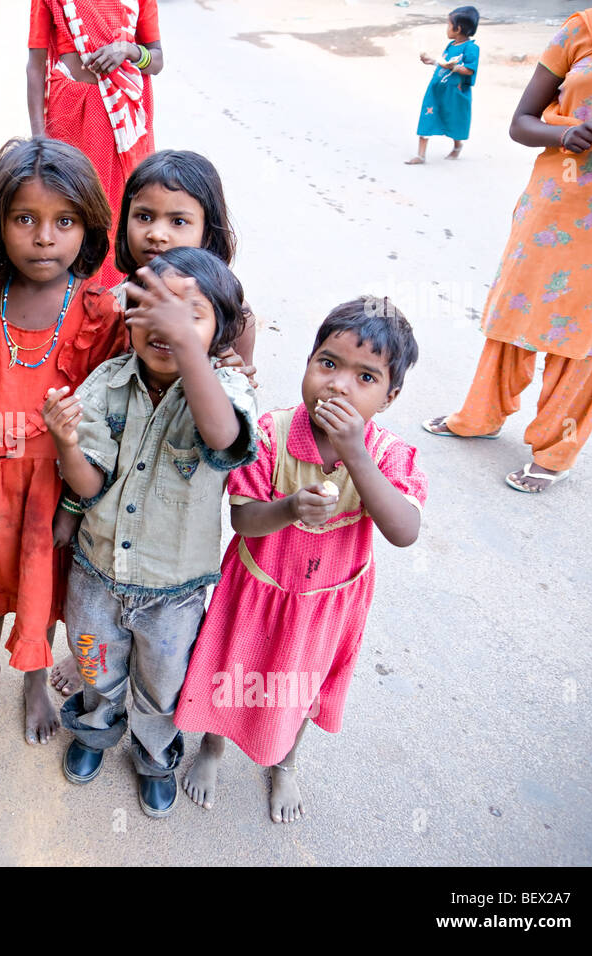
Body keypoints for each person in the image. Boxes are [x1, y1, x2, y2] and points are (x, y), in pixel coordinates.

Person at [175, 298, 425, 824]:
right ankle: (213, 747)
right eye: (328, 364)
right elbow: (245, 521)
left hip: (328, 603)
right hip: (257, 588)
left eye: (365, 377)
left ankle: (286, 760)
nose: (338, 385)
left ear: (390, 396)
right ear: (308, 362)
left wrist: (355, 455)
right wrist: (289, 508)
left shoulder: (386, 456)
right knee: (234, 671)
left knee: (303, 683)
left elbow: (403, 531)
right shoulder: (270, 433)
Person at [42, 248, 257, 817]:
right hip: (97, 571)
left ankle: (154, 755)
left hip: (173, 592)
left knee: (161, 687)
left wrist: (188, 349)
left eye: (191, 315)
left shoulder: (226, 388)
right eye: (153, 311)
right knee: (93, 665)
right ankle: (93, 732)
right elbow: (89, 488)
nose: (168, 327)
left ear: (222, 331)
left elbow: (221, 439)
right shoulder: (109, 382)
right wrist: (66, 442)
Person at [0, 137, 127, 744]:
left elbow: (106, 413)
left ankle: (34, 680)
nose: (44, 238)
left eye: (63, 222)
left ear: (87, 225)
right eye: (25, 220)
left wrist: (73, 502)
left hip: (56, 485)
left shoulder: (95, 311)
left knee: (42, 588)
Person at [49, 148, 259, 696]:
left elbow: (235, 407)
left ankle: (143, 714)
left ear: (209, 233)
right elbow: (97, 418)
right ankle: (94, 667)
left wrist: (200, 349)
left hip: (179, 486)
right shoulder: (113, 303)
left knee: (160, 663)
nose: (158, 235)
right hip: (107, 476)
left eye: (178, 221)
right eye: (144, 217)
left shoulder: (228, 313)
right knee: (93, 611)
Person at [422, 1, 592, 492]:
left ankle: (557, 449)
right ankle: (482, 414)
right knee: (516, 307)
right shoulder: (583, 28)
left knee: (588, 332)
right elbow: (522, 122)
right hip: (555, 201)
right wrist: (565, 132)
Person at [27, 0, 163, 287]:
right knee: (70, 207)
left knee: (118, 211)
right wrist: (39, 139)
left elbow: (157, 61)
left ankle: (110, 299)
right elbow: (36, 66)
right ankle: (69, 302)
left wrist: (128, 50)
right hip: (71, 114)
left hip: (125, 122)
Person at [407, 6, 480, 164]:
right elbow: (444, 63)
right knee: (427, 117)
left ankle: (457, 146)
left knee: (453, 120)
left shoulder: (471, 48)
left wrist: (453, 67)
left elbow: (469, 70)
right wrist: (433, 61)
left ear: (458, 28)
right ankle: (421, 155)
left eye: (448, 24)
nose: (446, 28)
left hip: (455, 93)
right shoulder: (451, 45)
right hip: (436, 89)